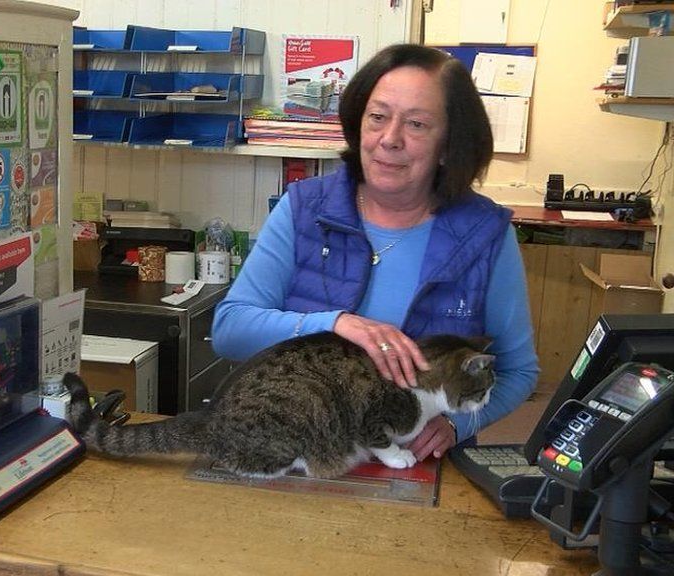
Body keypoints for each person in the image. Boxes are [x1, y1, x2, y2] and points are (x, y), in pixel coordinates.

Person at [211, 44, 538, 462]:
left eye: (417, 124)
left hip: (424, 466)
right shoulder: (303, 209)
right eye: (378, 117)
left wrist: (459, 424)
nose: (390, 139)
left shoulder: (486, 234)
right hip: (303, 461)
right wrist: (335, 323)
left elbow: (519, 370)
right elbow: (230, 331)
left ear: (448, 144)